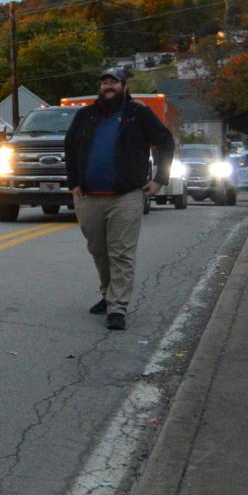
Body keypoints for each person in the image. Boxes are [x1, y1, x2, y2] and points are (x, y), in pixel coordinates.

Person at [64, 66, 175, 331]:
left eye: (114, 83)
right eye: (104, 83)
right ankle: (108, 294)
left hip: (126, 196)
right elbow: (70, 147)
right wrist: (74, 182)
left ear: (124, 87)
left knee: (121, 253)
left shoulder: (138, 114)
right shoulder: (85, 115)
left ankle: (118, 307)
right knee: (98, 251)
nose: (108, 87)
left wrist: (160, 178)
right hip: (89, 197)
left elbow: (165, 142)